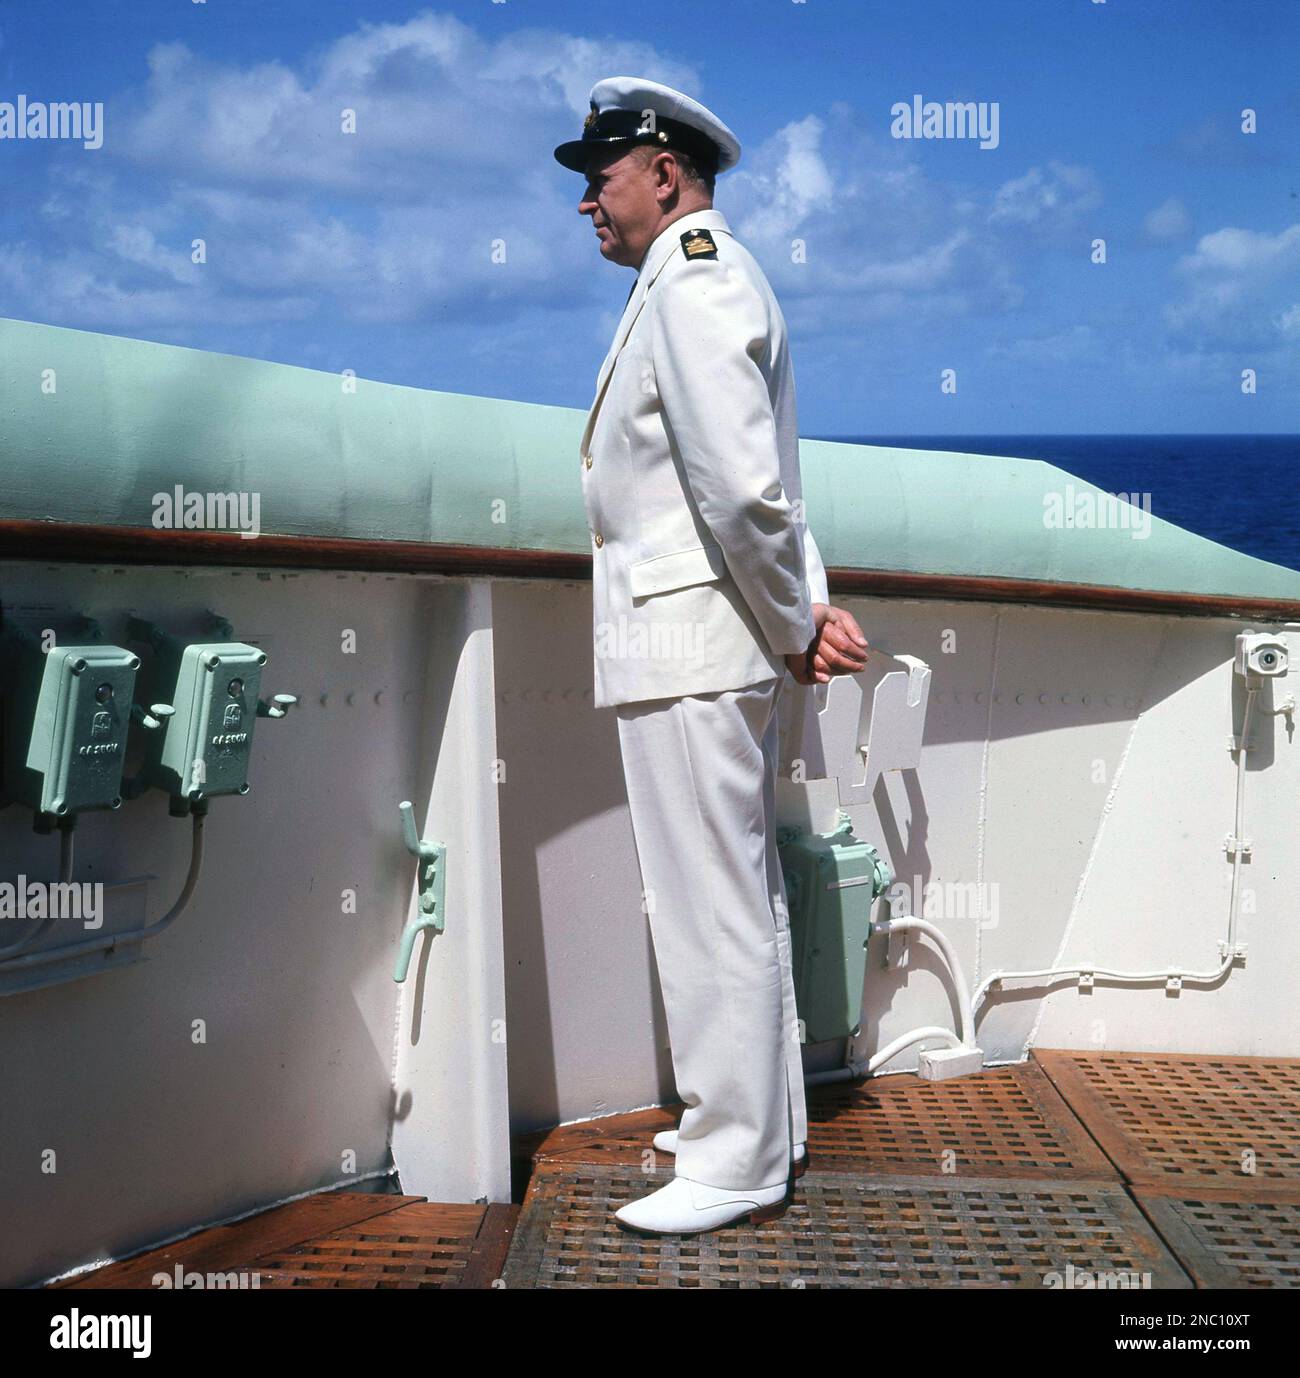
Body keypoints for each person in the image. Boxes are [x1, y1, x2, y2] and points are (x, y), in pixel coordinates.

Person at [555, 76, 870, 1235]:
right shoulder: (688, 279)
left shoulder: (692, 283)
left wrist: (794, 620)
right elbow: (757, 485)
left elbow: (742, 488)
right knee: (726, 894)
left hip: (691, 645)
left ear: (665, 172)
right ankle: (748, 1123)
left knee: (712, 903)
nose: (587, 200)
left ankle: (735, 1163)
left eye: (600, 177)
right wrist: (802, 610)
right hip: (695, 639)